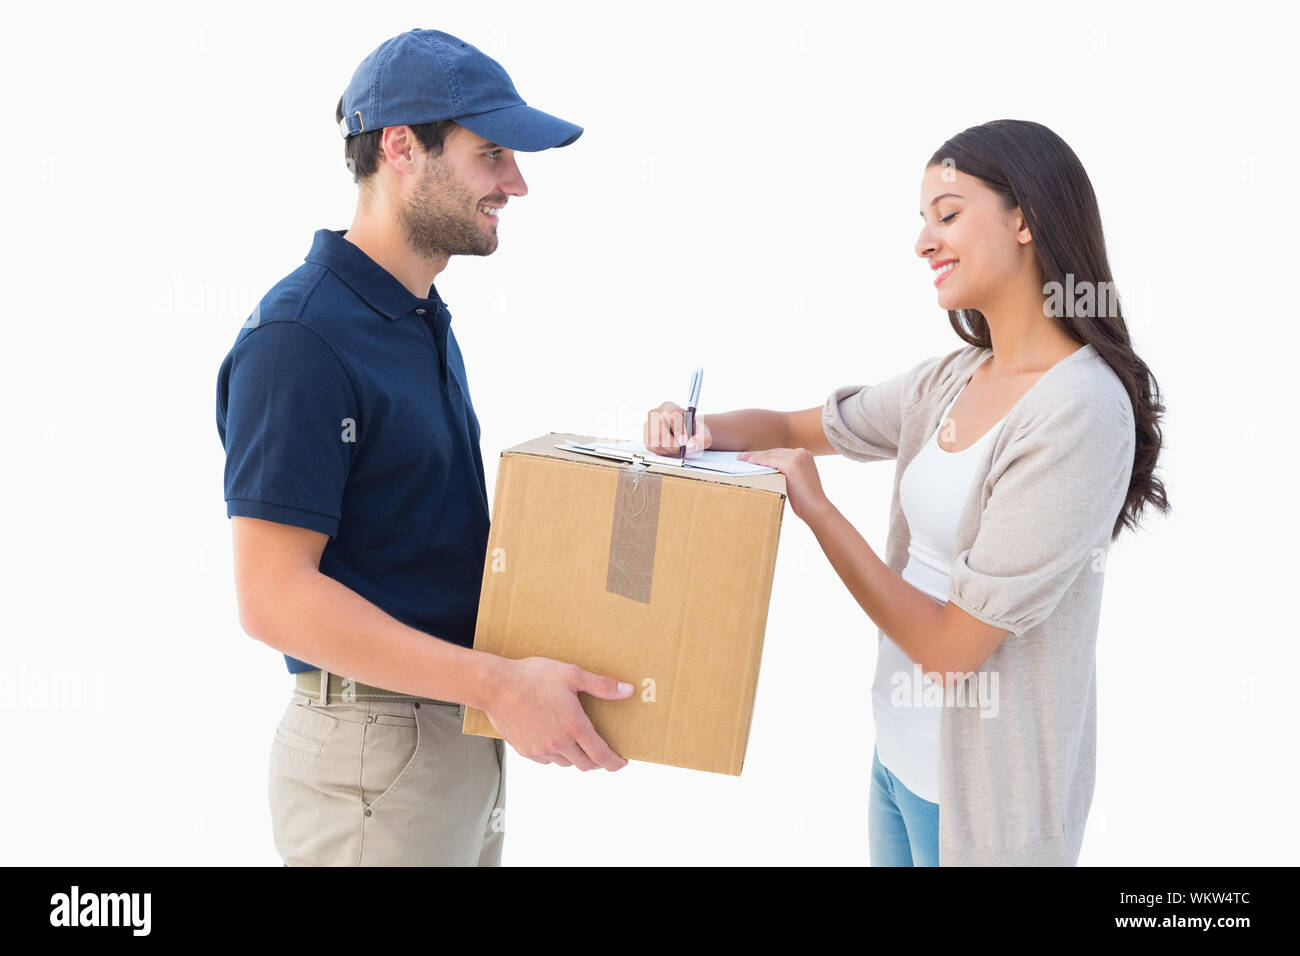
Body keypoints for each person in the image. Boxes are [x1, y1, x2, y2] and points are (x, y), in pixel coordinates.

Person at [644, 119, 1168, 866]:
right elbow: (805, 423)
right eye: (923, 221)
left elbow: (953, 650)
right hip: (897, 765)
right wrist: (696, 426)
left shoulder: (1078, 411)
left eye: (947, 215)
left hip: (984, 809)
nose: (924, 242)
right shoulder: (953, 378)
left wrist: (818, 511)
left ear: (1026, 219)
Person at [215, 28, 634, 868]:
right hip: (377, 749)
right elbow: (272, 597)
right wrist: (498, 685)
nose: (515, 183)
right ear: (402, 147)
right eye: (491, 156)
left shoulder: (415, 315)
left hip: (445, 736)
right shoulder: (301, 338)